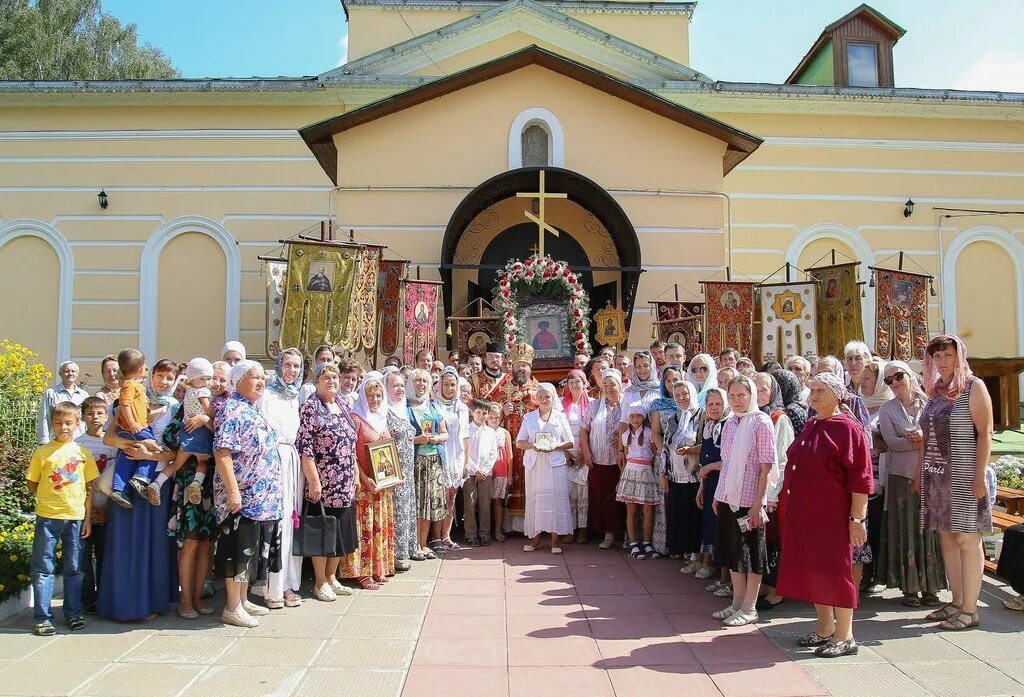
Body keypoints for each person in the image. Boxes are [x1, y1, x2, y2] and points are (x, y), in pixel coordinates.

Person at [776, 372, 873, 657]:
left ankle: (845, 636)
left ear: (837, 394)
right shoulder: (811, 424)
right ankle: (824, 628)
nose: (814, 394)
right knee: (813, 571)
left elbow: (860, 479)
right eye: (812, 389)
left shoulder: (847, 429)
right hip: (804, 516)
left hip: (832, 518)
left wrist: (857, 520)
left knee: (835, 573)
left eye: (821, 390)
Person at [919, 334, 993, 631]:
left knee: (966, 539)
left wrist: (979, 475)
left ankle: (971, 609)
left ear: (959, 356)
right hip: (938, 475)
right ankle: (957, 600)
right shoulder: (937, 390)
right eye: (937, 356)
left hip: (965, 474)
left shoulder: (974, 387)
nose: (942, 361)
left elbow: (985, 433)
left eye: (947, 355)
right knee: (947, 538)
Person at [211, 360, 283, 627]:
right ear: (237, 379)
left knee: (250, 551)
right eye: (254, 377)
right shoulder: (231, 409)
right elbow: (222, 452)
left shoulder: (252, 408)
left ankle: (242, 600)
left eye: (263, 377)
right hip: (242, 497)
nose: (261, 382)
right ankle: (231, 606)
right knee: (237, 552)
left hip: (261, 498)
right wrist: (232, 492)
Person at [712, 375, 778, 627]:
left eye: (742, 395)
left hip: (750, 499)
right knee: (733, 551)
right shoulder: (730, 423)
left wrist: (758, 503)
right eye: (732, 396)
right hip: (729, 497)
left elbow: (766, 466)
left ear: (751, 396)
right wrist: (719, 495)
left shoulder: (761, 422)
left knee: (751, 551)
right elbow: (727, 464)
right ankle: (737, 603)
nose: (737, 400)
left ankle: (750, 607)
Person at [27, 402, 99, 635]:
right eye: (58, 423)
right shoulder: (42, 452)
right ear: (51, 424)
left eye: (68, 423)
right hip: (47, 518)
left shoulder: (82, 453)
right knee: (43, 567)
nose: (63, 427)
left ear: (77, 424)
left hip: (76, 518)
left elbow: (90, 489)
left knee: (74, 568)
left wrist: (87, 519)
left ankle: (73, 613)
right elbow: (32, 484)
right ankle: (42, 617)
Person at [877, 361, 945, 607]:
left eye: (898, 376)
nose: (894, 383)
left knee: (929, 530)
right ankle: (909, 587)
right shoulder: (887, 409)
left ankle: (931, 587)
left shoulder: (929, 403)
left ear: (909, 375)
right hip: (901, 477)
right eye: (888, 380)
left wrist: (924, 438)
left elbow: (941, 434)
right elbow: (892, 442)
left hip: (930, 474)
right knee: (905, 528)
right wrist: (919, 442)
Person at [296, 362, 359, 602]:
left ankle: (332, 577)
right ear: (317, 381)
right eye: (326, 377)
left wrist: (353, 473)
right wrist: (313, 480)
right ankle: (320, 581)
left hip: (344, 481)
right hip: (323, 481)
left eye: (334, 376)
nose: (331, 381)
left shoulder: (341, 404)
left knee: (340, 530)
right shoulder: (311, 406)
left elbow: (350, 442)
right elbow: (306, 447)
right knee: (322, 530)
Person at [257, 348, 305, 609]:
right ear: (278, 366)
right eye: (287, 365)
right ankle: (271, 586)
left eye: (297, 366)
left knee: (290, 522)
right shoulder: (268, 395)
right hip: (273, 461)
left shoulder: (293, 397)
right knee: (275, 524)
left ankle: (288, 583)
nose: (292, 371)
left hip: (291, 460)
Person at [341, 372, 397, 589]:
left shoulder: (381, 418)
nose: (375, 400)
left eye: (378, 396)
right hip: (364, 485)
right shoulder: (356, 419)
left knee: (379, 526)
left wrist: (394, 475)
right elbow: (352, 454)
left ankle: (378, 568)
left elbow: (388, 453)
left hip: (382, 486)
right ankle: (362, 573)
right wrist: (364, 478)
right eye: (371, 395)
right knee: (364, 528)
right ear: (363, 396)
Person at [754, 371, 796, 611]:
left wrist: (771, 495)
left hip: (774, 493)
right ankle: (764, 585)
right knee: (762, 541)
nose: (759, 394)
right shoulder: (752, 417)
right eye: (756, 389)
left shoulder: (779, 418)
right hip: (756, 488)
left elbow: (781, 459)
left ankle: (778, 589)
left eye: (764, 389)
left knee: (775, 540)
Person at [517, 382, 575, 554]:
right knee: (535, 499)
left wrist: (554, 446)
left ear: (553, 397)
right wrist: (533, 445)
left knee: (554, 500)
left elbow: (570, 441)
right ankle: (534, 540)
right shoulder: (529, 417)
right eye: (540, 396)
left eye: (547, 396)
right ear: (536, 398)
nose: (543, 400)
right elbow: (519, 442)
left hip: (554, 463)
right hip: (535, 464)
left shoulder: (560, 417)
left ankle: (555, 542)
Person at [107, 352, 166, 508]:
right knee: (153, 446)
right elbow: (124, 405)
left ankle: (119, 489)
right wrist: (132, 422)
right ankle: (141, 478)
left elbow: (135, 406)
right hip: (135, 428)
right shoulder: (130, 384)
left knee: (127, 457)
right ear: (140, 369)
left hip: (131, 428)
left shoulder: (135, 385)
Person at [154, 357, 216, 506]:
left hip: (186, 432)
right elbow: (208, 410)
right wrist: (213, 415)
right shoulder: (202, 392)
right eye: (203, 379)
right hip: (200, 433)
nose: (206, 382)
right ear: (193, 379)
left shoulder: (188, 391)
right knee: (203, 461)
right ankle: (196, 483)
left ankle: (156, 483)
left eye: (209, 379)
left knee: (176, 463)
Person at [76, 397, 116, 615]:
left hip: (106, 508)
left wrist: (107, 509)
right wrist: (85, 512)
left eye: (100, 413)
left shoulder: (111, 442)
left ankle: (103, 598)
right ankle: (87, 600)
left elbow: (117, 478)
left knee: (104, 555)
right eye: (90, 413)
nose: (95, 418)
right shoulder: (79, 444)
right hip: (83, 511)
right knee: (83, 557)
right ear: (82, 416)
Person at [657, 379, 702, 565]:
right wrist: (663, 473)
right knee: (680, 516)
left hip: (695, 477)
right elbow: (666, 447)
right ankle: (687, 554)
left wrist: (690, 450)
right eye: (677, 395)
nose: (682, 398)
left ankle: (697, 557)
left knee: (695, 518)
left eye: (685, 394)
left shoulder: (702, 416)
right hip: (676, 476)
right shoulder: (673, 418)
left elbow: (706, 445)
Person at [580, 369, 625, 548]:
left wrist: (622, 436)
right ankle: (607, 533)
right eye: (605, 385)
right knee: (601, 497)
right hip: (597, 458)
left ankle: (622, 532)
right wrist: (586, 452)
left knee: (618, 497)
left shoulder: (627, 406)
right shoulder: (594, 406)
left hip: (619, 460)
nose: (608, 388)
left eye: (612, 384)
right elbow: (583, 429)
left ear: (620, 385)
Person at [407, 368, 449, 559]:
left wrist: (435, 439)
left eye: (425, 381)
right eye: (418, 381)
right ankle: (414, 544)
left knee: (428, 505)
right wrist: (417, 440)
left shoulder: (433, 406)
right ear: (411, 383)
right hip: (416, 461)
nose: (422, 385)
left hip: (434, 460)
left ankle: (423, 543)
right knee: (416, 504)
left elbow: (445, 433)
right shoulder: (405, 407)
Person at [500, 343, 540, 531]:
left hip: (531, 443)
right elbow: (491, 418)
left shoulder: (539, 389)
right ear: (512, 367)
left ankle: (534, 523)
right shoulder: (503, 389)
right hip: (510, 443)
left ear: (530, 367)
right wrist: (502, 412)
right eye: (518, 365)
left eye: (525, 365)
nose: (521, 368)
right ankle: (511, 527)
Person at [383, 366, 419, 565]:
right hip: (394, 471)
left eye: (401, 385)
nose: (399, 389)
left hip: (407, 469)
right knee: (396, 512)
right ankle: (395, 554)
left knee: (406, 510)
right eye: (394, 385)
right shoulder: (385, 412)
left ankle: (406, 548)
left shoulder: (403, 410)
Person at [618, 402, 660, 559]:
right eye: (632, 416)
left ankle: (647, 543)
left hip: (646, 473)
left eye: (638, 415)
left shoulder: (649, 433)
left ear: (644, 417)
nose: (635, 419)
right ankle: (633, 543)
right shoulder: (625, 436)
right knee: (632, 510)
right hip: (630, 474)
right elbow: (626, 457)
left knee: (648, 511)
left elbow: (655, 453)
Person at [695, 388, 728, 582]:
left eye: (718, 404)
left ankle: (724, 578)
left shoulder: (728, 425)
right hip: (710, 483)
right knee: (710, 526)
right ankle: (715, 570)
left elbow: (729, 460)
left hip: (722, 482)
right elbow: (703, 460)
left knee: (721, 528)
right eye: (710, 404)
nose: (714, 408)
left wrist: (710, 468)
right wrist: (702, 486)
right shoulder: (708, 426)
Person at [437, 367, 469, 551]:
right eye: (446, 384)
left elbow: (465, 434)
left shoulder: (462, 407)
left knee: (451, 496)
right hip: (439, 452)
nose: (449, 388)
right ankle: (434, 537)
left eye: (453, 385)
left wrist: (466, 460)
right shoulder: (434, 404)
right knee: (437, 496)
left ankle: (446, 536)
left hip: (456, 453)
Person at [561, 369, 591, 544]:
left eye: (578, 381)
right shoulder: (560, 404)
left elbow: (592, 432)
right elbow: (557, 433)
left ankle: (583, 530)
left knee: (583, 493)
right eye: (571, 381)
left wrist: (584, 452)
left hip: (585, 453)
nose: (574, 385)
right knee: (568, 493)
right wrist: (566, 453)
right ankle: (569, 529)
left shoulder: (593, 404)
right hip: (566, 455)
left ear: (585, 383)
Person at [463, 399, 498, 546]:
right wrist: (475, 469)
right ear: (472, 412)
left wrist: (483, 470)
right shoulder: (466, 430)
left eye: (485, 413)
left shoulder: (491, 432)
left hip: (486, 473)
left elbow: (493, 453)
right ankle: (470, 533)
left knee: (485, 505)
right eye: (478, 412)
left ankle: (484, 533)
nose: (481, 416)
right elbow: (465, 452)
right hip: (470, 472)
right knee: (470, 504)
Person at [38, 360, 89, 444]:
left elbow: (86, 419)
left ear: (77, 374)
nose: (70, 373)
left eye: (73, 371)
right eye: (67, 371)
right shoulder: (51, 393)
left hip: (79, 441)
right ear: (60, 374)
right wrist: (44, 440)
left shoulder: (83, 395)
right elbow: (44, 417)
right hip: (56, 441)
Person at [488, 403, 513, 543]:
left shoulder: (504, 433)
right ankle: (485, 531)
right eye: (491, 416)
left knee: (498, 502)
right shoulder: (483, 430)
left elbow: (510, 455)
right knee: (484, 503)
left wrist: (510, 475)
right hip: (486, 471)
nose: (494, 419)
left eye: (497, 417)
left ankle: (498, 530)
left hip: (501, 472)